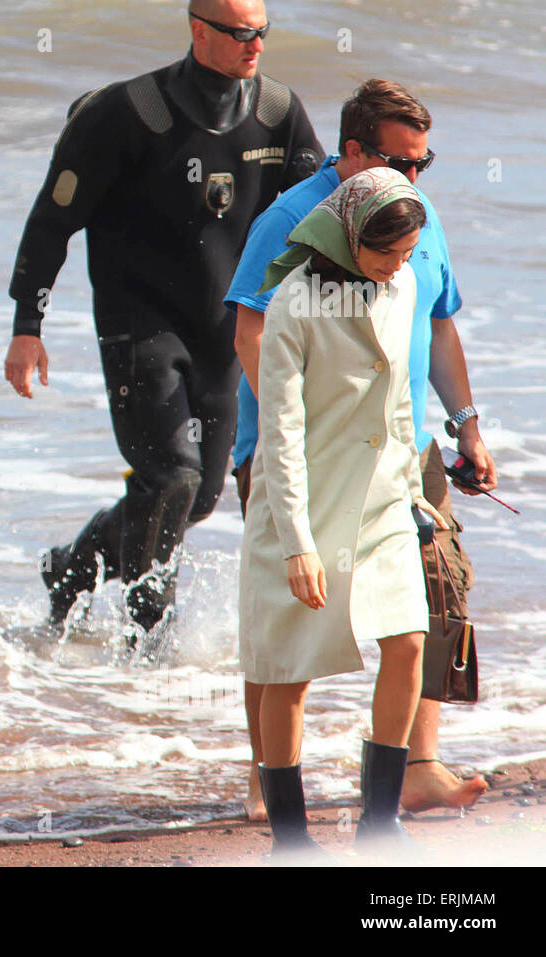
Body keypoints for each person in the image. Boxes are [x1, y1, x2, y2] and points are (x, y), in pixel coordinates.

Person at [4, 0, 323, 641]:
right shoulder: (125, 114)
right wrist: (26, 325)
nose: (254, 44)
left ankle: (72, 568)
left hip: (224, 333)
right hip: (140, 327)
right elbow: (51, 222)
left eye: (262, 31)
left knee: (195, 497)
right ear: (199, 31)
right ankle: (150, 642)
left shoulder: (277, 113)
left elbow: (316, 211)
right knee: (171, 478)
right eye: (239, 33)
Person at [227, 79, 491, 823]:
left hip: (392, 469)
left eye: (423, 164)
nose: (413, 181)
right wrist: (312, 457)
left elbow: (435, 329)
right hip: (305, 463)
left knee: (416, 624)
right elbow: (255, 349)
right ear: (350, 153)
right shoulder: (290, 251)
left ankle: (399, 792)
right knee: (289, 647)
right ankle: (277, 801)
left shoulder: (408, 241)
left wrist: (460, 429)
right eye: (397, 162)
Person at [241, 167, 445, 857]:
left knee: (409, 641)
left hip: (383, 494)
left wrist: (416, 489)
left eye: (408, 255)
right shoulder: (294, 303)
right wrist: (296, 540)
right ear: (351, 236)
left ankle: (379, 821)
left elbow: (396, 399)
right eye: (386, 254)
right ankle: (291, 841)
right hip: (305, 498)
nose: (397, 270)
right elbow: (280, 429)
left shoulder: (404, 283)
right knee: (288, 667)